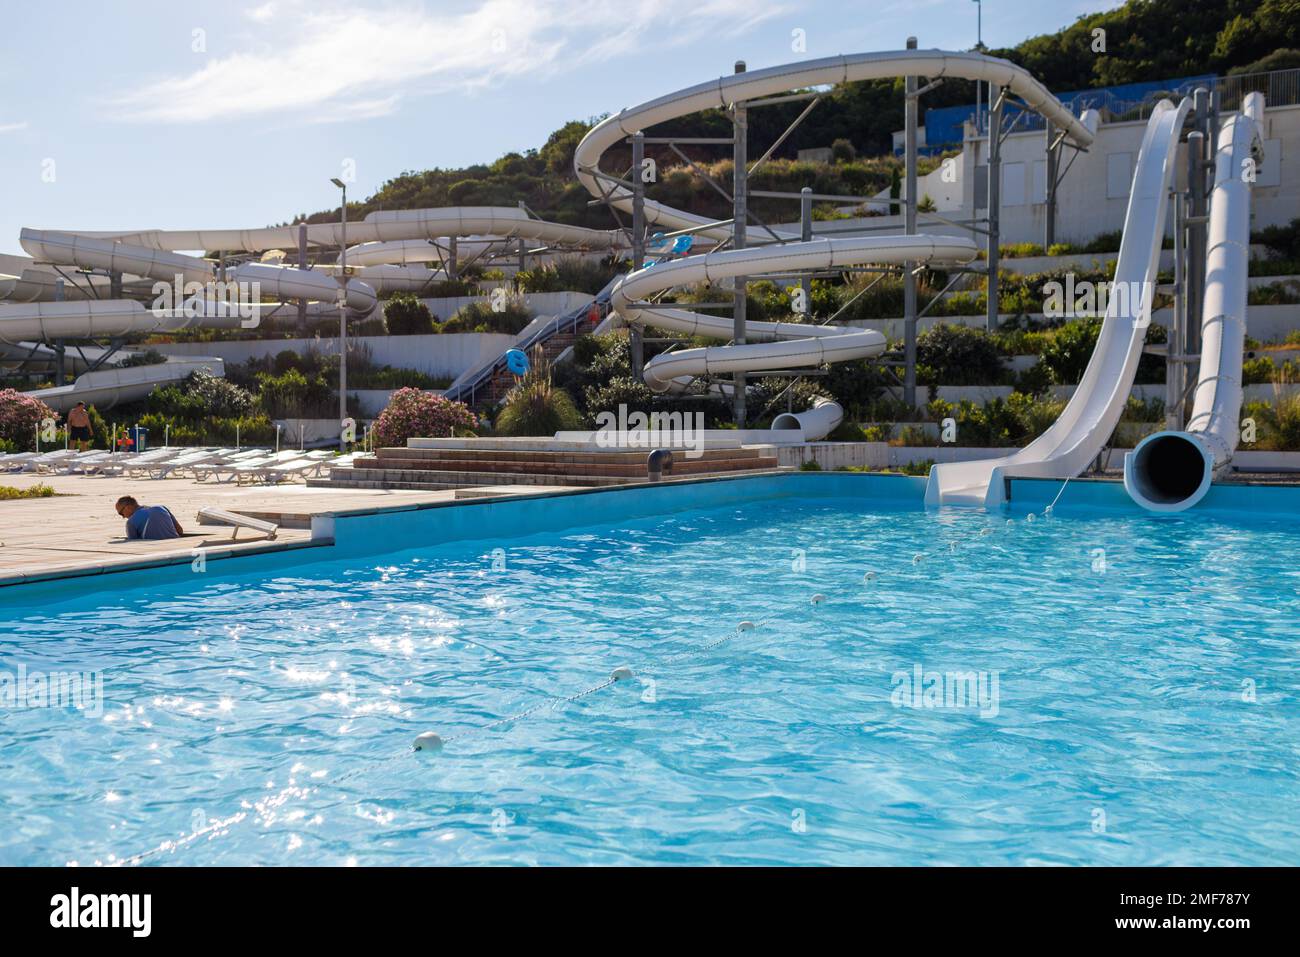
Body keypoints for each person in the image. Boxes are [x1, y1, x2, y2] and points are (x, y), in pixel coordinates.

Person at [115, 496, 183, 540]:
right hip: (176, 544)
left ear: (128, 508)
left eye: (121, 513)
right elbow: (180, 531)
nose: (123, 517)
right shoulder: (162, 508)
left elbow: (133, 543)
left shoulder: (131, 522)